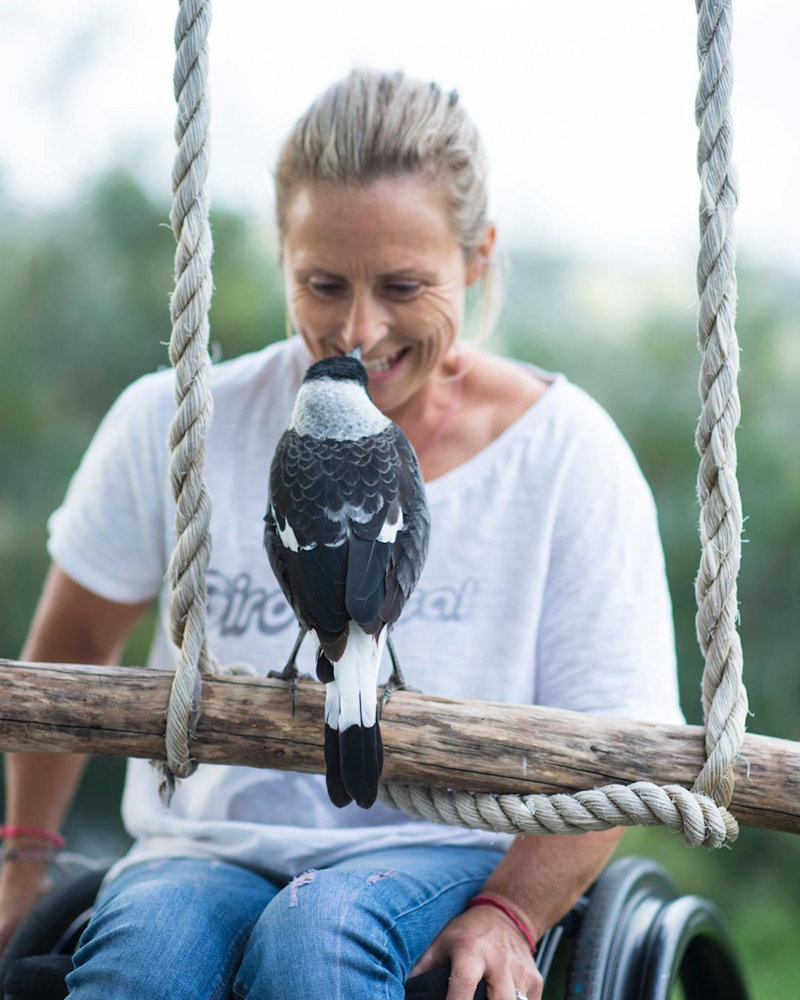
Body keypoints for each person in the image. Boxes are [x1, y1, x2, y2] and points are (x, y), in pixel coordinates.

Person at [0, 69, 684, 1000]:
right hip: (203, 849)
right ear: (282, 257)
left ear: (477, 259)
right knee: (142, 960)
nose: (357, 329)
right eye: (323, 283)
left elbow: (624, 739)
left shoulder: (569, 454)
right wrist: (24, 859)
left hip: (443, 854)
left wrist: (511, 911)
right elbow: (74, 648)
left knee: (318, 939)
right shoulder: (173, 419)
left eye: (404, 284)